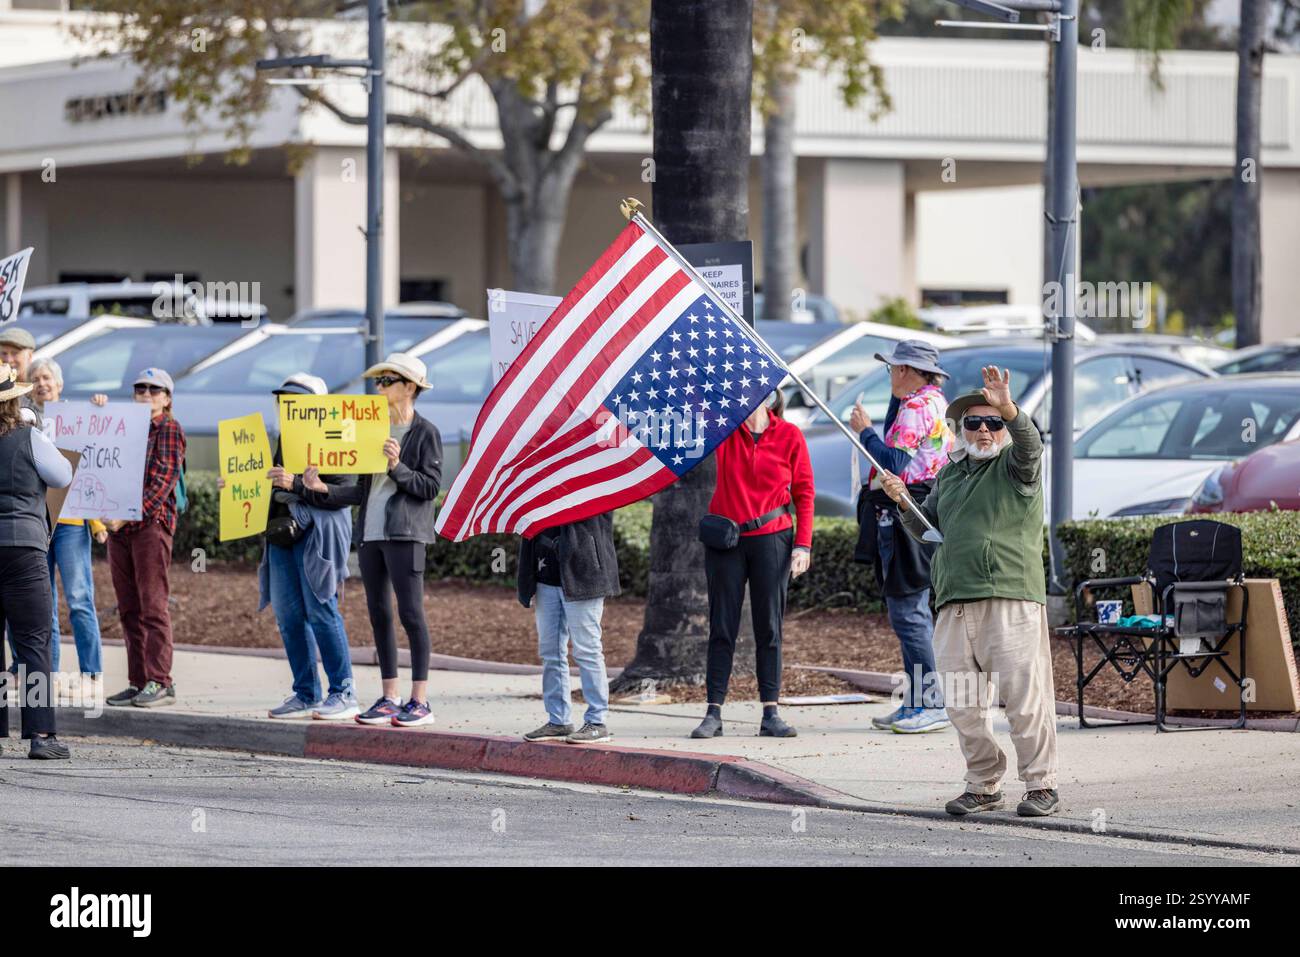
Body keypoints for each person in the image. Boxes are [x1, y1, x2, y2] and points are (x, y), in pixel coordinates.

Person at [881, 366, 1060, 818]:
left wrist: (1010, 407)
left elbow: (1031, 443)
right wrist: (903, 502)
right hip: (954, 602)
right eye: (974, 423)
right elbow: (928, 533)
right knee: (963, 706)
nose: (984, 429)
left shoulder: (1017, 467)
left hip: (1010, 596)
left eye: (993, 422)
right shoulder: (950, 475)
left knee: (1024, 699)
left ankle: (1041, 785)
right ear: (960, 430)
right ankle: (983, 784)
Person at [301, 354, 442, 727]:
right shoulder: (371, 429)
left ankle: (420, 701)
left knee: (411, 614)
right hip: (371, 535)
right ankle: (390, 696)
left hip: (406, 535)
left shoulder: (425, 432)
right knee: (379, 614)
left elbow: (429, 488)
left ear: (409, 387)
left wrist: (397, 468)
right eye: (377, 382)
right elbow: (360, 492)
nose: (378, 388)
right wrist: (320, 489)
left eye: (387, 381)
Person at [692, 390, 815, 740]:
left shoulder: (789, 435)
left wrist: (803, 544)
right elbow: (701, 407)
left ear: (769, 398)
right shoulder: (723, 431)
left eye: (753, 394)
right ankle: (713, 712)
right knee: (722, 626)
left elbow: (804, 492)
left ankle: (771, 713)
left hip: (773, 538)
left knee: (770, 627)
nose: (745, 400)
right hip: (726, 540)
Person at [848, 341, 955, 734]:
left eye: (894, 369)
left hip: (906, 508)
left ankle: (931, 702)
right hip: (918, 506)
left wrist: (865, 432)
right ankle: (916, 701)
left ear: (908, 371)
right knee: (910, 609)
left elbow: (892, 462)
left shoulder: (915, 407)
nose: (890, 375)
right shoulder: (933, 401)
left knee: (908, 610)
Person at [246, 373, 358, 720]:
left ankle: (343, 691)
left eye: (295, 399)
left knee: (321, 610)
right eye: (283, 399)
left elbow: (344, 491)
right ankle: (307, 692)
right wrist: (242, 486)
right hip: (282, 535)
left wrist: (295, 483)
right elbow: (270, 483)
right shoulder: (282, 438)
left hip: (316, 534)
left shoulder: (339, 436)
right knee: (289, 616)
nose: (287, 405)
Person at [0, 362, 74, 758]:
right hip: (24, 549)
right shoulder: (30, 437)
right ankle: (41, 736)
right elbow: (62, 475)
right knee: (32, 642)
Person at [104, 368, 186, 709]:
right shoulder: (123, 427)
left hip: (150, 525)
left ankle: (160, 681)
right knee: (128, 608)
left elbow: (162, 483)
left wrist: (125, 515)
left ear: (167, 399)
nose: (146, 393)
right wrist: (100, 410)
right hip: (121, 527)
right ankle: (138, 680)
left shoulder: (169, 428)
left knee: (153, 606)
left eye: (155, 389)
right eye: (140, 388)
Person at [28, 357, 108, 701]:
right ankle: (54, 675)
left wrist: (99, 409)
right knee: (44, 603)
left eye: (47, 377)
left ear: (59, 385)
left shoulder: (79, 417)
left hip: (73, 522)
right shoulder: (25, 422)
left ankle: (92, 674)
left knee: (79, 599)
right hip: (39, 521)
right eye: (36, 378)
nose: (42, 383)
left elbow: (99, 468)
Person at [516, 513, 621, 744]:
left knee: (587, 650)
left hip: (584, 573)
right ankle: (558, 720)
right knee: (550, 652)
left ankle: (597, 721)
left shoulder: (592, 480)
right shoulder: (540, 483)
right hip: (545, 576)